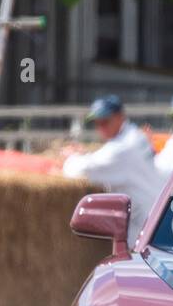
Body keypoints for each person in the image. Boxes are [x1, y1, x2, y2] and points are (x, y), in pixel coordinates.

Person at [62, 95, 161, 241]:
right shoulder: (134, 135)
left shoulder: (123, 147)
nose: (100, 126)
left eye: (105, 121)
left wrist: (70, 157)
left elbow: (78, 170)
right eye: (97, 122)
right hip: (154, 216)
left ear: (120, 117)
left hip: (144, 226)